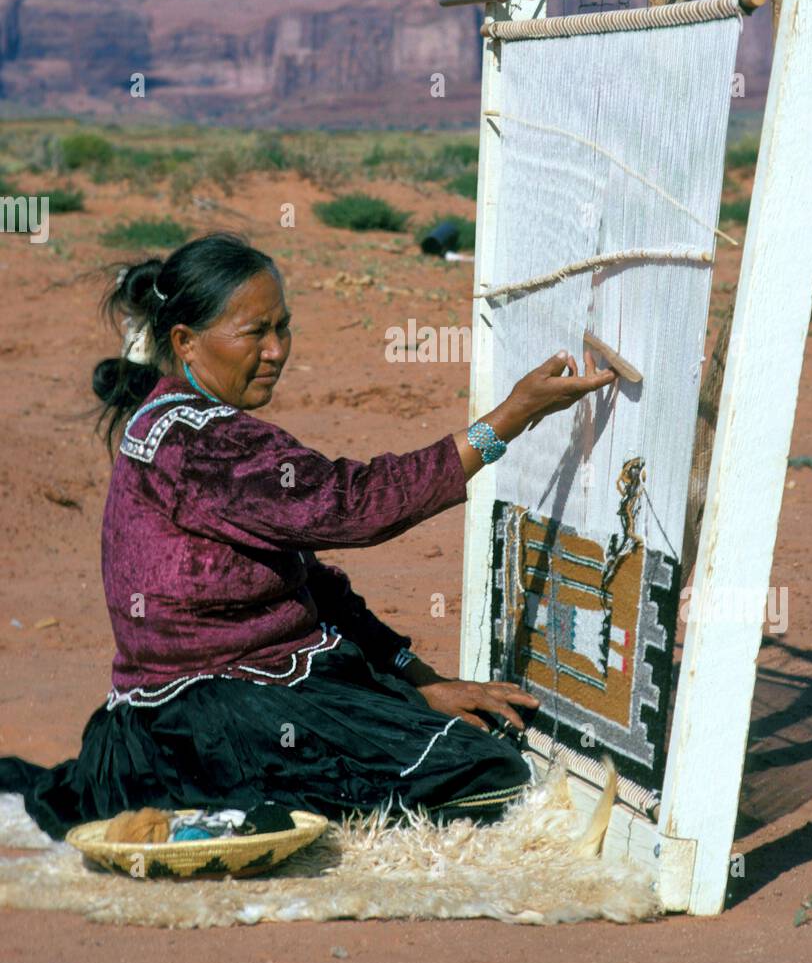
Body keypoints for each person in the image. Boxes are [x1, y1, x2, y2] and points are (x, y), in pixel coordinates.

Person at [0, 232, 617, 839]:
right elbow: (356, 505)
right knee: (486, 774)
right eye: (255, 333)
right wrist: (509, 419)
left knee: (461, 736)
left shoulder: (173, 419)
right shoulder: (205, 443)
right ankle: (230, 808)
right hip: (206, 726)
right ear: (186, 341)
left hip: (205, 706)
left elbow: (310, 579)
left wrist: (417, 679)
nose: (275, 351)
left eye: (282, 328)